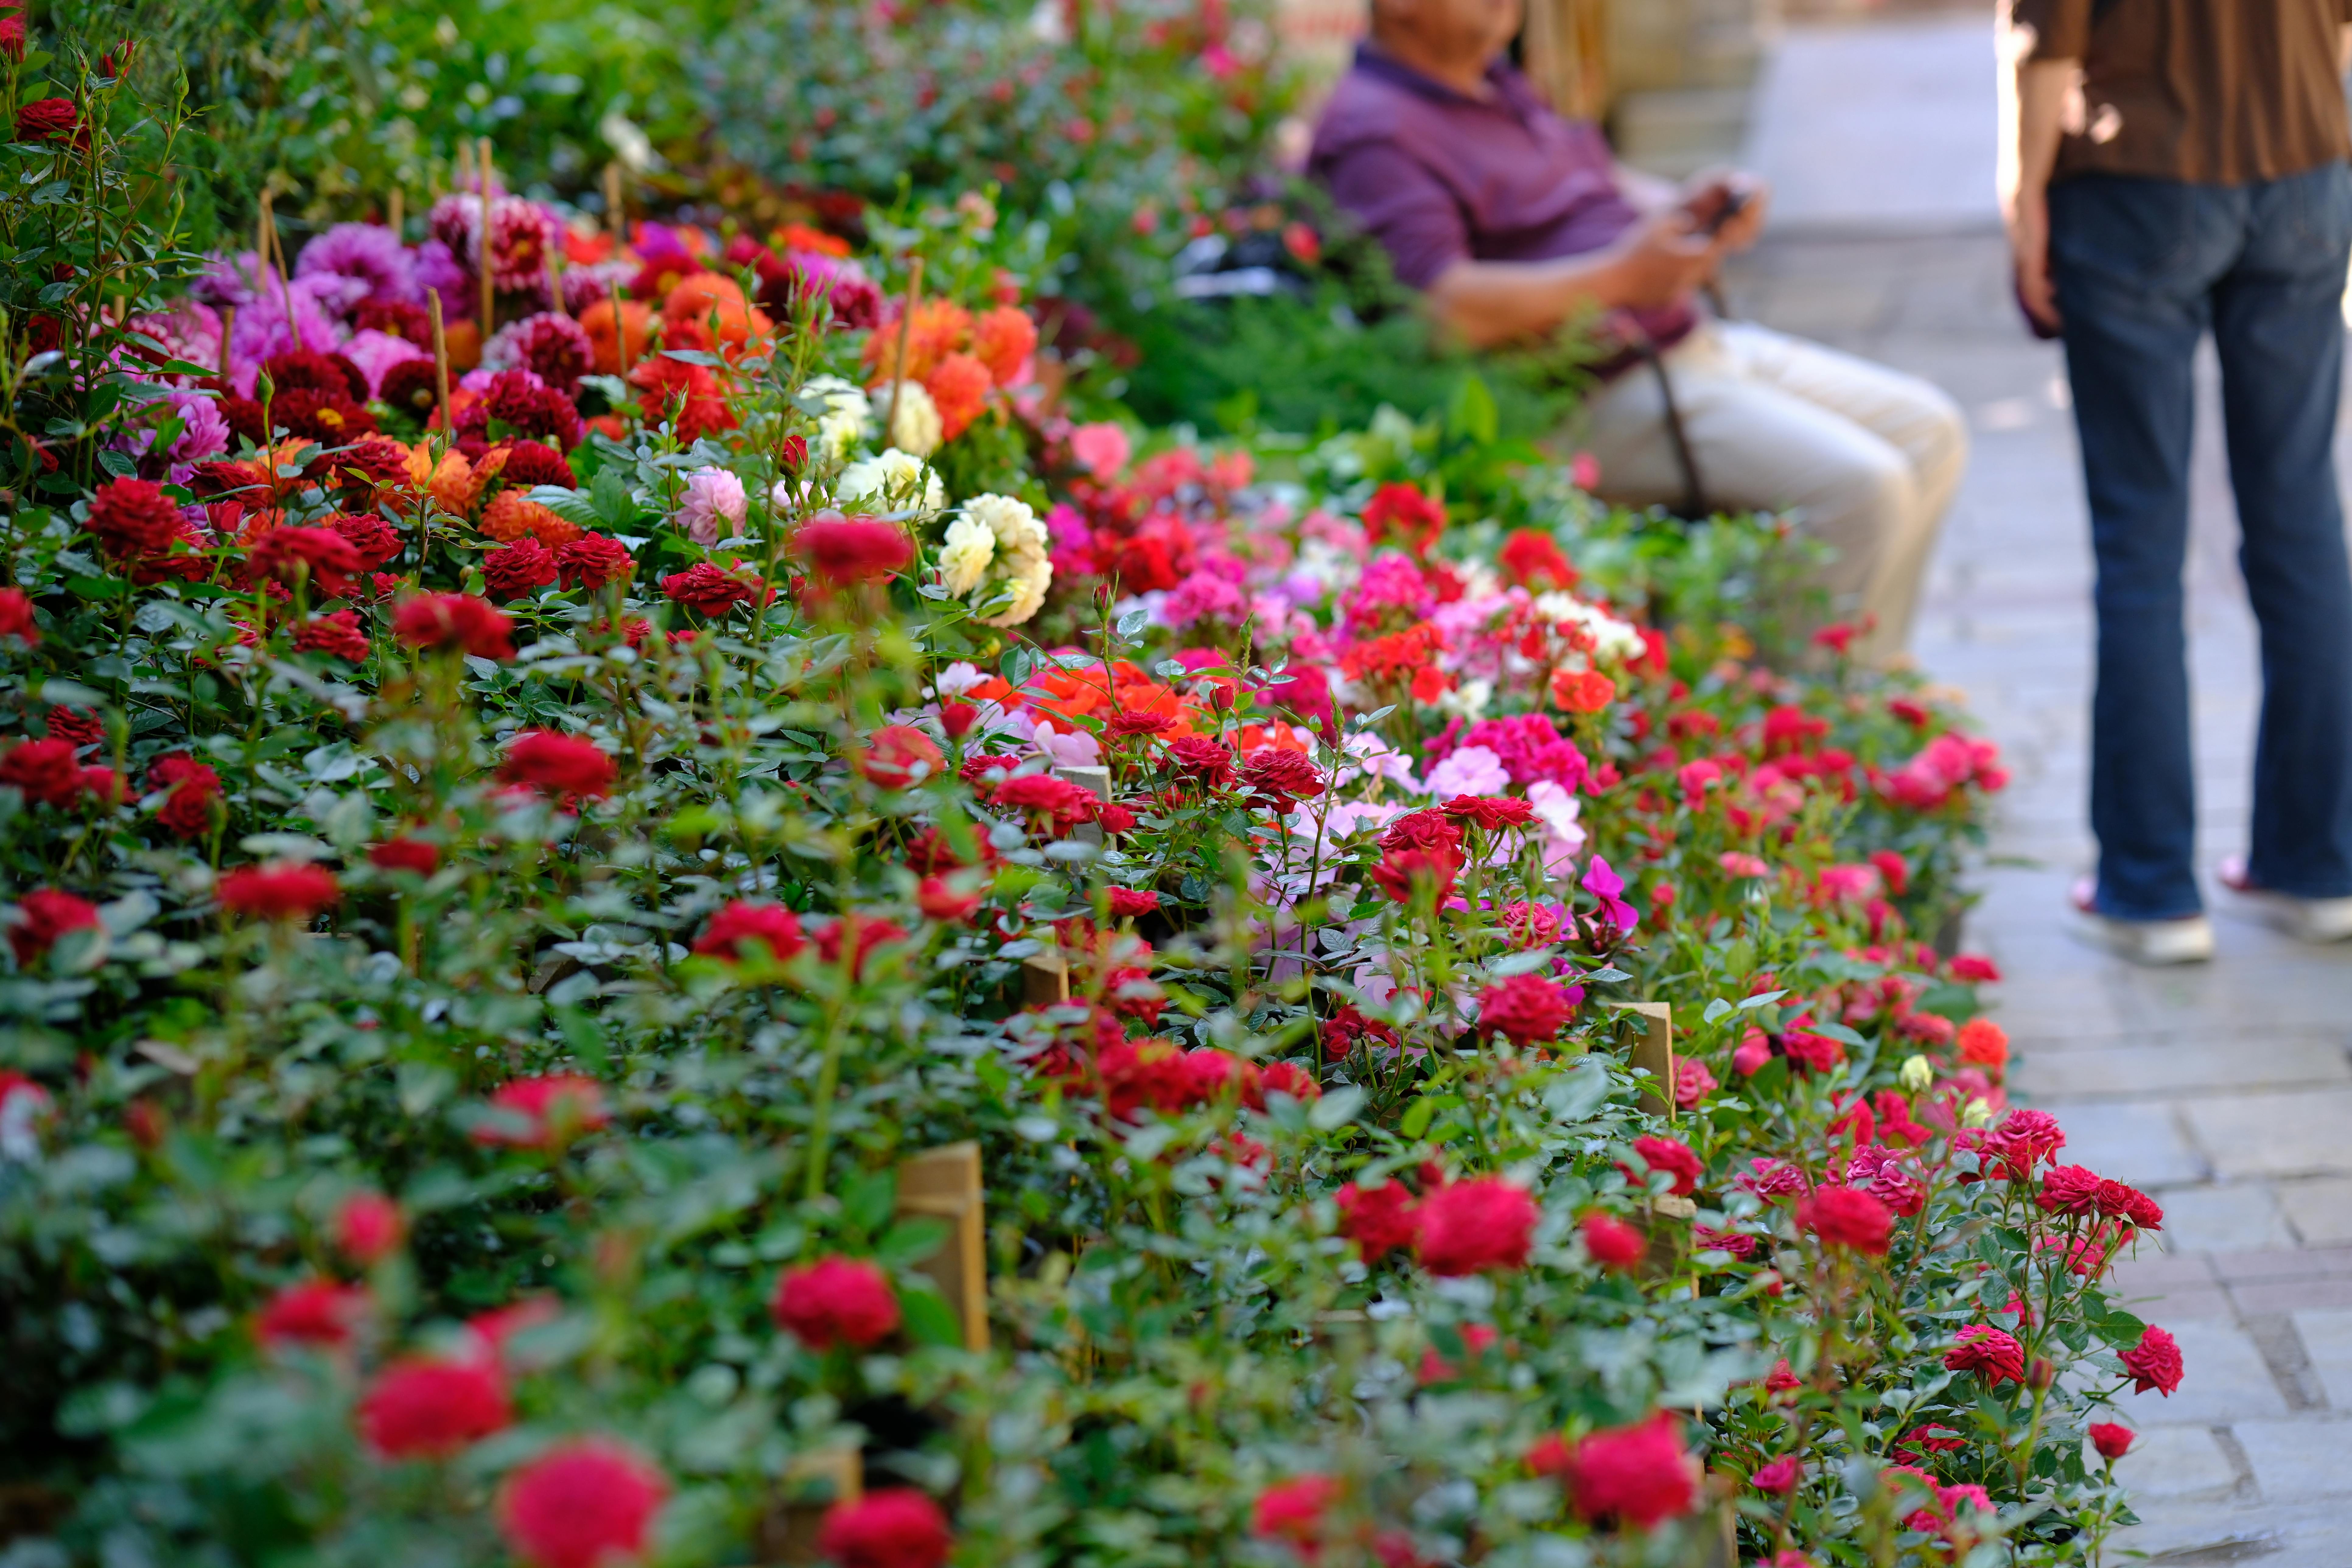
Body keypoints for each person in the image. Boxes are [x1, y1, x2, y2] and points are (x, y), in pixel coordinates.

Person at [1306, 0, 1968, 665]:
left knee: (1929, 428)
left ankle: (1875, 681)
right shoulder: (1375, 131)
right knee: (1860, 488)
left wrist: (1686, 205)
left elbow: (1589, 187)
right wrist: (1624, 277)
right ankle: (1803, 720)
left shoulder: (1491, 81)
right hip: (1582, 396)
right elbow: (1441, 312)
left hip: (1680, 343)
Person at [2007, 0, 2352, 963]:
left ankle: (2153, 893)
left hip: (2136, 181)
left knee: (2141, 541)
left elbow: (2046, 41)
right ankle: (2318, 866)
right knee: (2301, 518)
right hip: (2306, 165)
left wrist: (2022, 189)